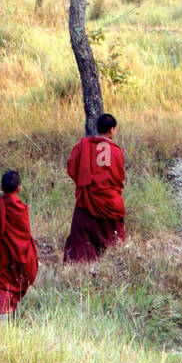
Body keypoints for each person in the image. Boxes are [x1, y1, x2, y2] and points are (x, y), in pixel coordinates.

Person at [63, 113, 126, 264]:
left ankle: (80, 266)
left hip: (88, 199)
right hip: (110, 202)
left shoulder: (82, 146)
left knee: (81, 235)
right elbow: (119, 177)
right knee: (113, 237)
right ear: (112, 130)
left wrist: (84, 183)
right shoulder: (117, 151)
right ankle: (114, 263)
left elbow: (71, 168)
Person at [0, 170, 39, 316]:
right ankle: (9, 321)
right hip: (17, 261)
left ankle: (0, 320)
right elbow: (24, 238)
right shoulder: (22, 210)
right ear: (19, 188)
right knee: (11, 292)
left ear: (0, 187)